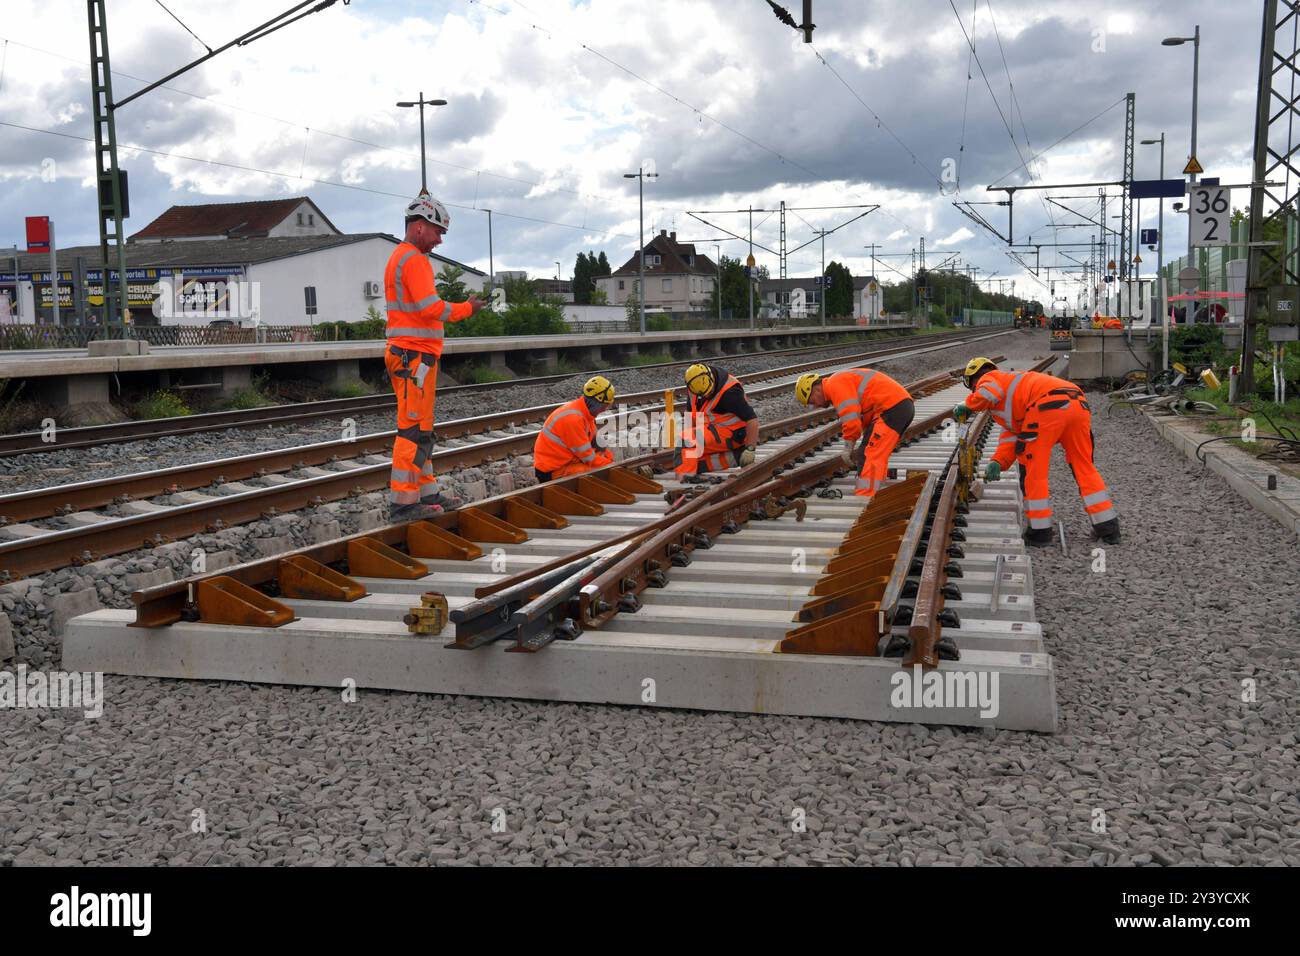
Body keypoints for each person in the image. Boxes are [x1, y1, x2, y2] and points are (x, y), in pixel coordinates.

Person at [384, 193, 485, 521]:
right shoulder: (413, 259)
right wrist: (467, 308)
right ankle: (403, 503)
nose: (440, 239)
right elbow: (432, 308)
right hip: (413, 358)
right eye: (437, 231)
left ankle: (424, 492)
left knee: (422, 429)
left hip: (414, 357)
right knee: (412, 430)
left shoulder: (401, 257)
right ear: (418, 227)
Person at [954, 357, 1119, 546]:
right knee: (1084, 467)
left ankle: (1039, 533)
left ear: (972, 380)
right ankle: (1109, 529)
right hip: (1078, 404)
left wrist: (967, 405)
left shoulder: (989, 378)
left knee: (1033, 472)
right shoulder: (1014, 393)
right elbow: (1013, 435)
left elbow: (988, 393)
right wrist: (998, 461)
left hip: (1046, 408)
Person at [795, 367, 914, 499]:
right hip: (897, 407)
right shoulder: (838, 381)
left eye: (812, 401)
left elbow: (851, 419)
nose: (815, 406)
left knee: (870, 454)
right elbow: (863, 417)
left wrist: (848, 447)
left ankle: (864, 499)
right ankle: (875, 490)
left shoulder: (835, 384)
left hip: (891, 408)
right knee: (875, 452)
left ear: (816, 389)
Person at [674, 363, 759, 477]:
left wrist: (750, 449)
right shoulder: (695, 387)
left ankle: (685, 480)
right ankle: (735, 457)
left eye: (709, 392)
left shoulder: (729, 393)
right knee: (692, 458)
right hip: (713, 432)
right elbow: (691, 415)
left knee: (685, 441)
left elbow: (752, 419)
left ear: (712, 380)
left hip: (732, 435)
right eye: (704, 394)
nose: (707, 395)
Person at [533, 376, 616, 483]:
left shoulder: (586, 414)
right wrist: (609, 465)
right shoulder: (574, 419)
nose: (604, 409)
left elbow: (597, 445)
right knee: (595, 473)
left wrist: (609, 458)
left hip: (566, 461)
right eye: (604, 406)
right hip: (551, 470)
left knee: (602, 466)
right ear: (596, 403)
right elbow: (588, 458)